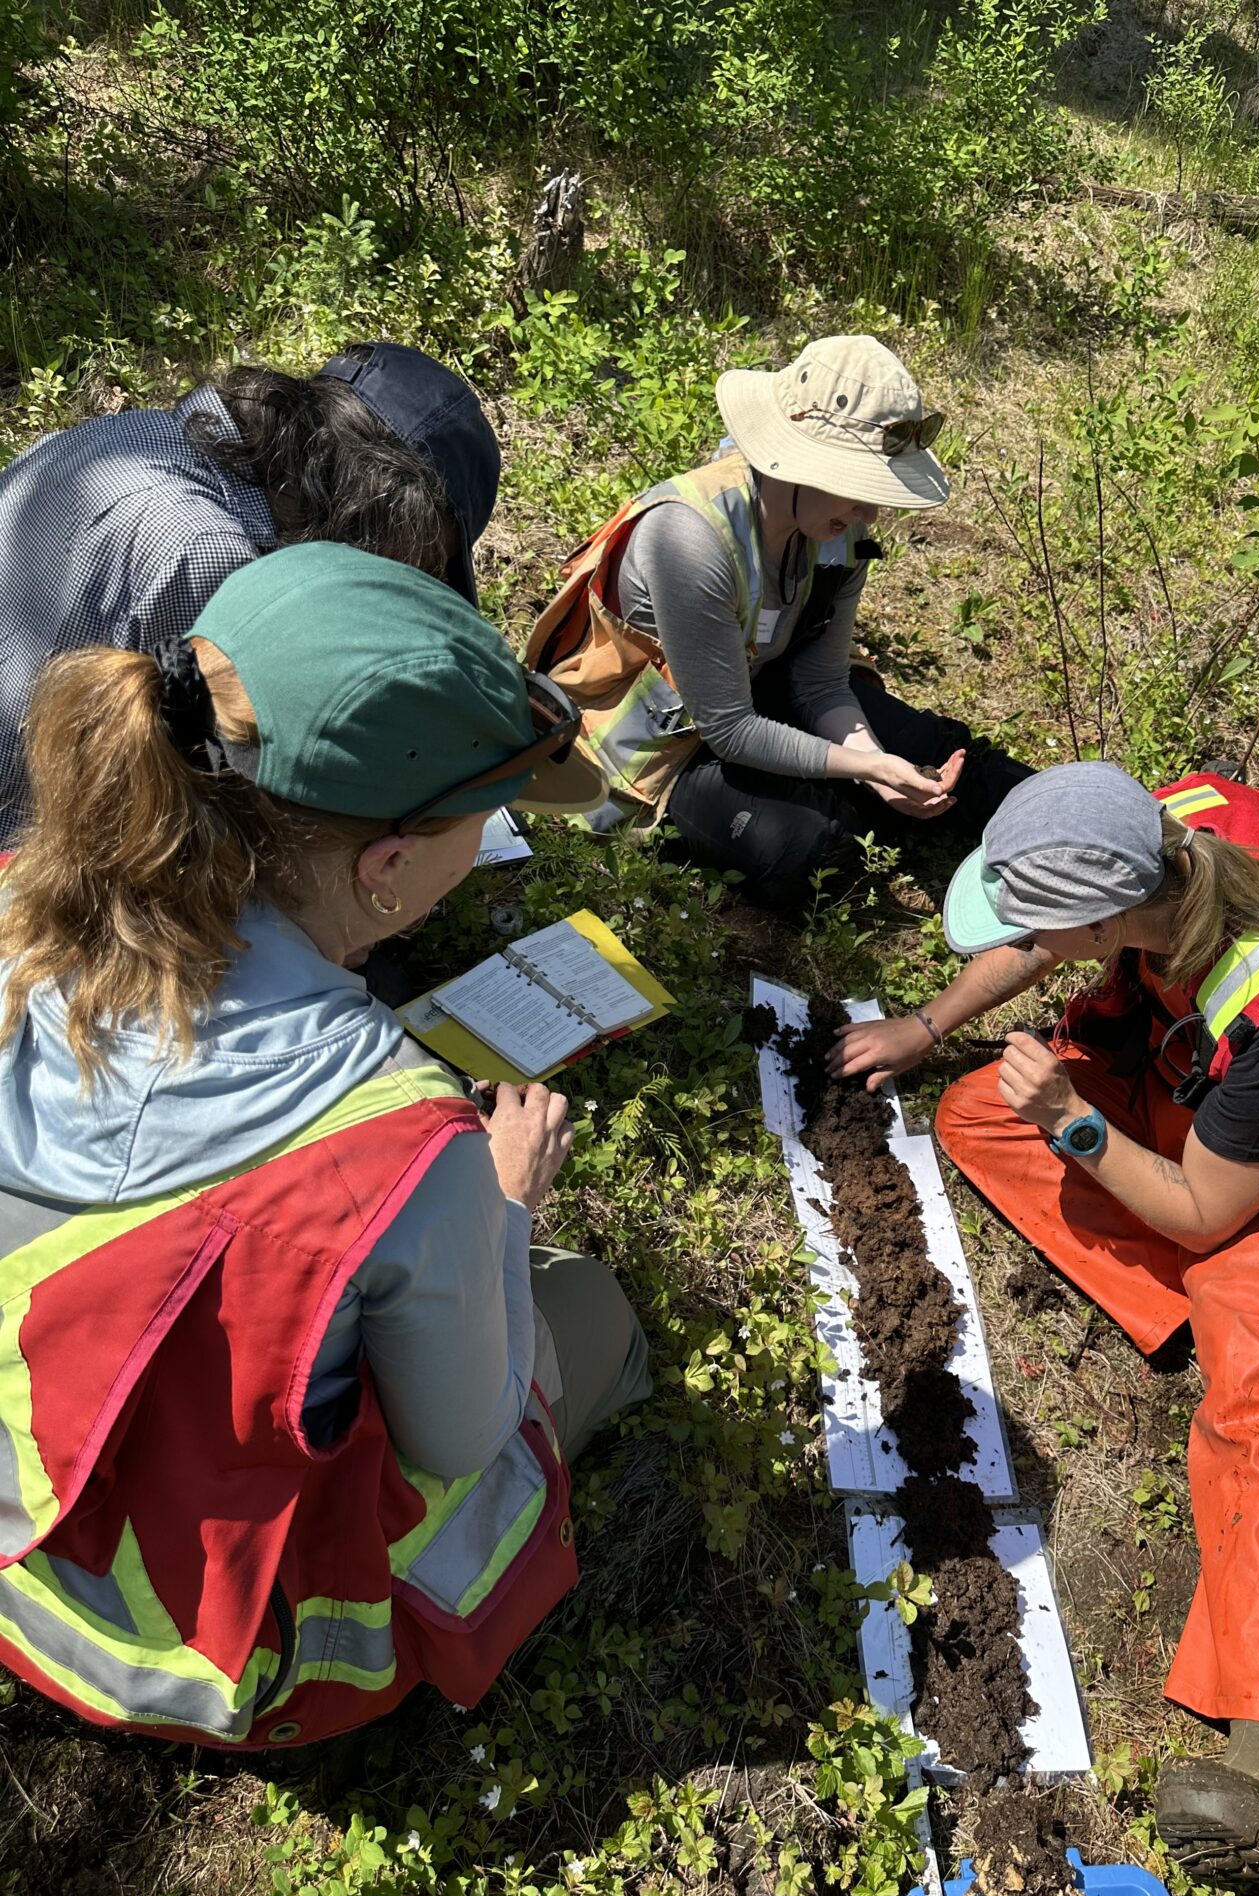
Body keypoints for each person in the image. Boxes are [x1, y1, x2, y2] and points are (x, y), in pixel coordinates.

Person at [831, 761, 1259, 1896]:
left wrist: (1076, 1123)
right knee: (973, 1110)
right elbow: (1041, 941)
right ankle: (1206, 1300)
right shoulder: (1161, 839)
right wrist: (927, 1022)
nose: (1035, 942)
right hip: (1208, 1110)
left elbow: (1207, 1206)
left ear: (1111, 910)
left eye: (1050, 925)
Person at [0, 542, 649, 1749]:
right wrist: (502, 1207)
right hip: (208, 1658)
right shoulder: (400, 1143)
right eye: (483, 823)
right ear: (388, 866)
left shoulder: (23, 907)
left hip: (26, 1544)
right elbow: (458, 1435)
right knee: (591, 1315)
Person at [524, 334, 1030, 908]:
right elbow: (729, 729)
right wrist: (865, 769)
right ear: (793, 462)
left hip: (761, 689)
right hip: (666, 745)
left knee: (938, 753)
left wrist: (874, 766)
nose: (869, 513)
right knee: (814, 848)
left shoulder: (838, 532)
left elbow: (819, 682)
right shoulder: (690, 541)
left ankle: (1080, 822)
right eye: (857, 489)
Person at [0, 341, 502, 840]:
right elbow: (217, 803)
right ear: (383, 519)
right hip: (24, 854)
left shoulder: (142, 432)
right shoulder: (214, 560)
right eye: (422, 563)